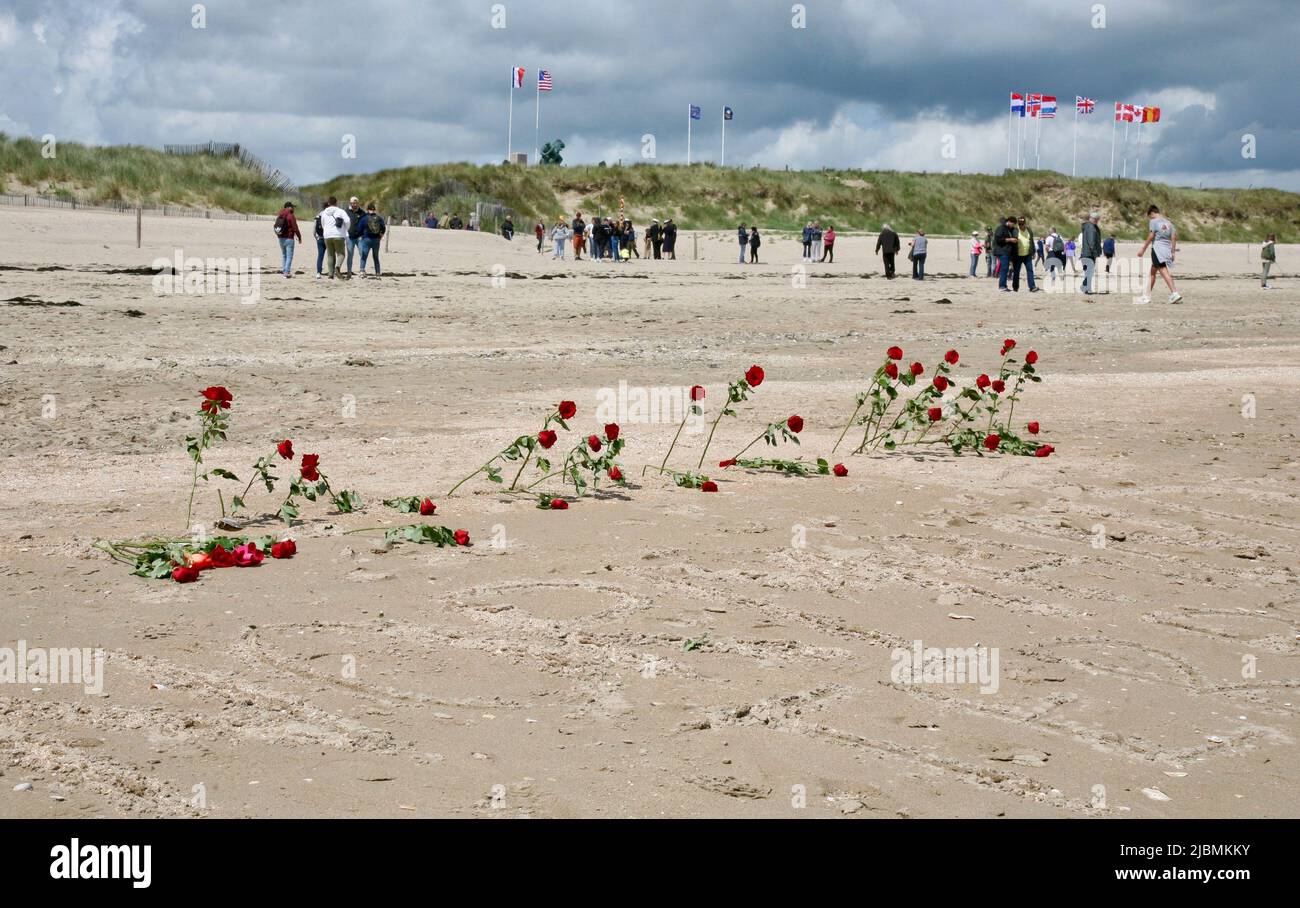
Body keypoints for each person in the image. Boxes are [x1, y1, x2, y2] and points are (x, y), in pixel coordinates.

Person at [1136, 204, 1182, 304]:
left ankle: (1174, 293)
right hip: (1167, 250)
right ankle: (1146, 296)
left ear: (1152, 213)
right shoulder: (1169, 223)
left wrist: (1143, 249)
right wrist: (1173, 252)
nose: (1149, 218)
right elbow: (1173, 238)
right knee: (1152, 272)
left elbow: (1151, 235)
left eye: (1149, 216)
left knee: (1163, 270)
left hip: (1157, 250)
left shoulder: (1153, 221)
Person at [318, 196, 350, 280]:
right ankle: (337, 267)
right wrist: (346, 229)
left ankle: (330, 274)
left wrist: (327, 230)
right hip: (338, 235)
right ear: (336, 203)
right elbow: (347, 221)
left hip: (327, 235)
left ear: (328, 203)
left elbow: (322, 223)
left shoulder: (324, 212)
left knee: (330, 255)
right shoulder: (340, 211)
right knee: (341, 254)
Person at [273, 201, 302, 278]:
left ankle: (284, 270)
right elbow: (295, 228)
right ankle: (287, 272)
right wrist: (299, 237)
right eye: (292, 207)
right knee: (289, 256)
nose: (293, 208)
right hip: (289, 238)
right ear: (289, 207)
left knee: (284, 255)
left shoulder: (280, 215)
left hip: (280, 238)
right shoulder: (291, 215)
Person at [1011, 216, 1038, 292]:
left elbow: (1031, 241)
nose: (1021, 225)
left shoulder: (1029, 230)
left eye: (1022, 224)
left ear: (1025, 224)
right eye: (1019, 224)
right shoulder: (1015, 231)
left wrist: (1033, 252)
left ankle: (1032, 287)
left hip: (1027, 255)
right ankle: (1015, 287)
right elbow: (1012, 244)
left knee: (1030, 270)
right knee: (1016, 272)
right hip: (1018, 255)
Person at [358, 202, 385, 277]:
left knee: (364, 256)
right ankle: (378, 273)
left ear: (367, 210)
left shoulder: (364, 218)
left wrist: (361, 236)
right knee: (376, 257)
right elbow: (383, 228)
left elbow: (359, 229)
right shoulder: (379, 218)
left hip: (366, 239)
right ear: (374, 210)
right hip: (376, 240)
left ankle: (362, 271)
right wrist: (380, 236)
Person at [1080, 212, 1102, 294]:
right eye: (1095, 219)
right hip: (1089, 253)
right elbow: (1091, 242)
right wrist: (1095, 253)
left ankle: (1086, 288)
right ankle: (1085, 288)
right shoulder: (1091, 228)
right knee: (1089, 272)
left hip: (1086, 253)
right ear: (1091, 218)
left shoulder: (1088, 227)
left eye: (1097, 219)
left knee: (1088, 272)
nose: (1096, 221)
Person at [994, 216, 1018, 291]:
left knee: (1005, 268)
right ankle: (1002, 286)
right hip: (1002, 251)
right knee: (1004, 268)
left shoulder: (1009, 229)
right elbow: (998, 239)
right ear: (1009, 221)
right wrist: (1010, 239)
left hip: (1007, 251)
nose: (1013, 225)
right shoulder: (1001, 228)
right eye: (1013, 224)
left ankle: (1004, 285)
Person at [344, 196, 365, 277]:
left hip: (359, 237)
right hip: (349, 237)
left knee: (362, 253)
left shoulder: (362, 212)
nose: (354, 204)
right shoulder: (346, 211)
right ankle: (349, 271)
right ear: (350, 203)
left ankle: (362, 270)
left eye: (355, 203)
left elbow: (365, 224)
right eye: (352, 203)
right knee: (350, 255)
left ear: (358, 203)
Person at [312, 209, 326, 279]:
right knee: (331, 255)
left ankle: (318, 272)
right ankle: (332, 271)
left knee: (320, 256)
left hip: (320, 238)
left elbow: (314, 230)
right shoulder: (329, 215)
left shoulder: (318, 216)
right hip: (328, 238)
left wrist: (316, 237)